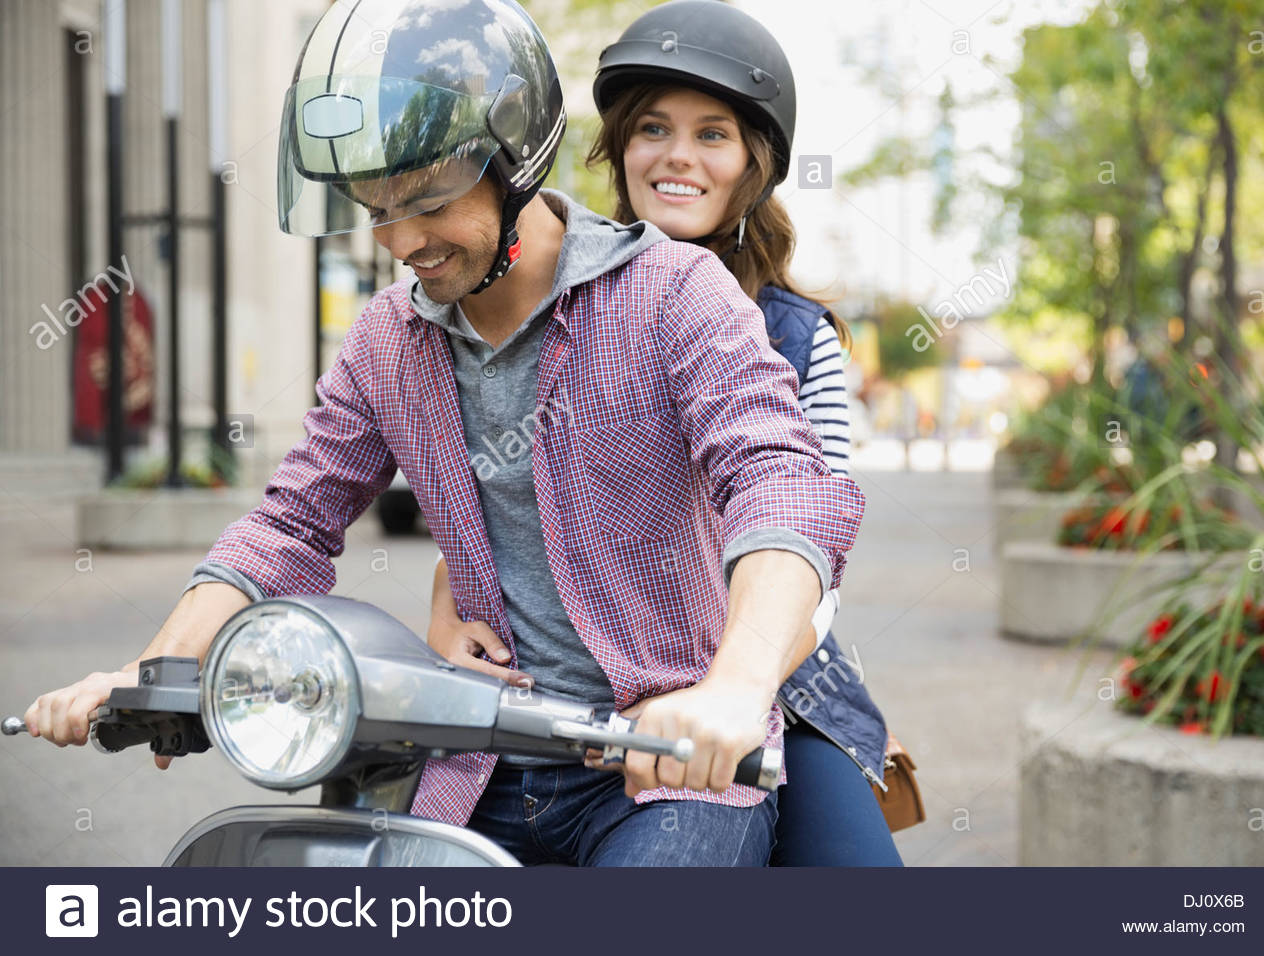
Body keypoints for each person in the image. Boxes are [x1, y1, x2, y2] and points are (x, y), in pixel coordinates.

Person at [22, 0, 864, 868]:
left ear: (517, 161)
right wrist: (149, 669)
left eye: (427, 200)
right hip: (475, 762)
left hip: (666, 764)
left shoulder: (676, 290)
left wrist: (733, 688)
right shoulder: (387, 336)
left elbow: (778, 481)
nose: (398, 240)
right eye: (374, 209)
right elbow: (289, 523)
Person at [590, 0, 901, 867]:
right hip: (592, 673)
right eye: (653, 127)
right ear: (621, 148)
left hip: (777, 673)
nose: (678, 155)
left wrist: (733, 687)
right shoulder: (559, 303)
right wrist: (449, 603)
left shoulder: (801, 336)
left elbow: (819, 563)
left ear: (752, 166)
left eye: (713, 135)